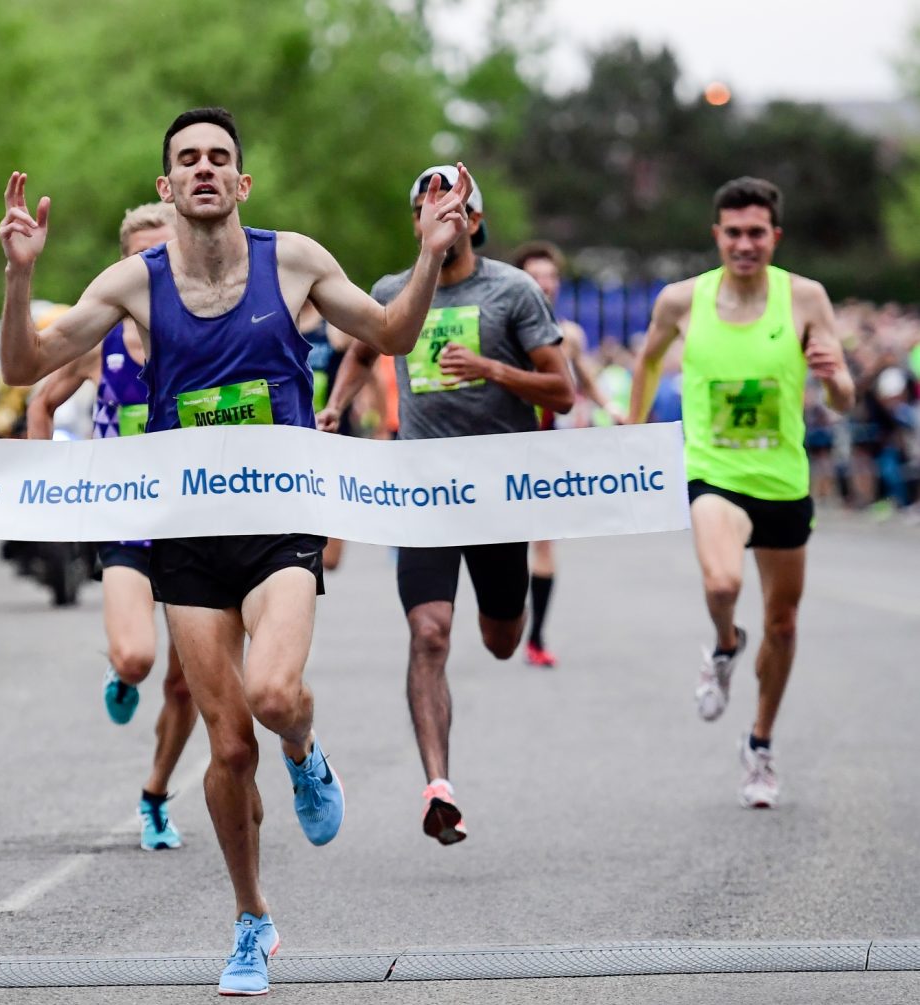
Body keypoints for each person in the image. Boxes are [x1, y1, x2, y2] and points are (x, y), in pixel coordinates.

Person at [0, 107, 472, 996]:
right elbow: (27, 364)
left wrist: (429, 257)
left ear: (241, 183)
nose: (205, 169)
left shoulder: (291, 259)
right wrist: (20, 276)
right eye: (188, 160)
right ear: (166, 187)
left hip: (278, 525)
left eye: (220, 157)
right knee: (225, 751)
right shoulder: (133, 283)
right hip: (185, 533)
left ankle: (305, 749)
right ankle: (252, 919)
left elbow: (394, 336)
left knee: (272, 696)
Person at [319, 165, 573, 845]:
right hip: (423, 487)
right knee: (429, 631)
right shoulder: (391, 291)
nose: (440, 213)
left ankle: (508, 623)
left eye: (454, 204)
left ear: (475, 220)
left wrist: (492, 369)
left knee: (499, 640)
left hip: (496, 491)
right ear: (416, 221)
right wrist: (336, 406)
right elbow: (362, 348)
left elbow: (563, 391)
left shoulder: (513, 292)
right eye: (427, 204)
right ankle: (438, 785)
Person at [628, 176, 854, 809]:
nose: (745, 244)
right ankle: (726, 644)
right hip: (714, 473)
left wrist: (836, 382)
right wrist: (631, 431)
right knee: (723, 585)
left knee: (782, 623)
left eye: (757, 233)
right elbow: (647, 361)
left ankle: (759, 743)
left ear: (774, 236)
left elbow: (844, 398)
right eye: (734, 233)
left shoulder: (806, 298)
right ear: (716, 236)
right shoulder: (681, 301)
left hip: (783, 481)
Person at [26, 203, 198, 851]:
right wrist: (47, 486)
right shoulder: (100, 342)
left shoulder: (206, 334)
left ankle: (154, 795)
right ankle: (120, 673)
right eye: (140, 258)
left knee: (185, 684)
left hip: (193, 525)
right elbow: (41, 400)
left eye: (165, 255)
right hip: (124, 521)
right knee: (136, 657)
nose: (153, 270)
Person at [511, 241, 625, 667]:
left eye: (551, 277)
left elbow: (587, 382)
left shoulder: (569, 335)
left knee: (542, 542)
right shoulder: (500, 328)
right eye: (535, 277)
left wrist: (611, 409)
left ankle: (536, 635)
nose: (545, 285)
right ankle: (506, 618)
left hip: (548, 452)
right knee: (505, 546)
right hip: (504, 446)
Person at [298, 298, 352, 569]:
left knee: (330, 559)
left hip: (332, 437)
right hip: (294, 441)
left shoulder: (333, 329)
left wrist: (376, 417)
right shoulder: (278, 325)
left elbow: (366, 365)